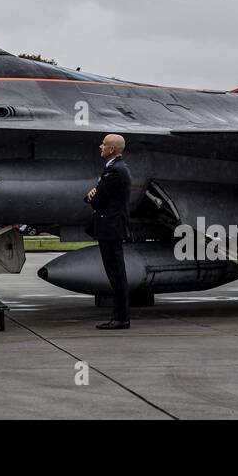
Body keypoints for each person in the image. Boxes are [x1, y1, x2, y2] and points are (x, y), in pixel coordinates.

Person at [85, 134, 131, 330]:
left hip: (110, 228)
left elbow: (97, 198)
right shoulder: (116, 169)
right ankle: (120, 316)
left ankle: (121, 318)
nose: (100, 147)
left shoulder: (114, 171)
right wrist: (93, 194)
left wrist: (90, 196)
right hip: (111, 227)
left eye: (104, 144)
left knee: (116, 274)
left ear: (112, 149)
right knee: (116, 273)